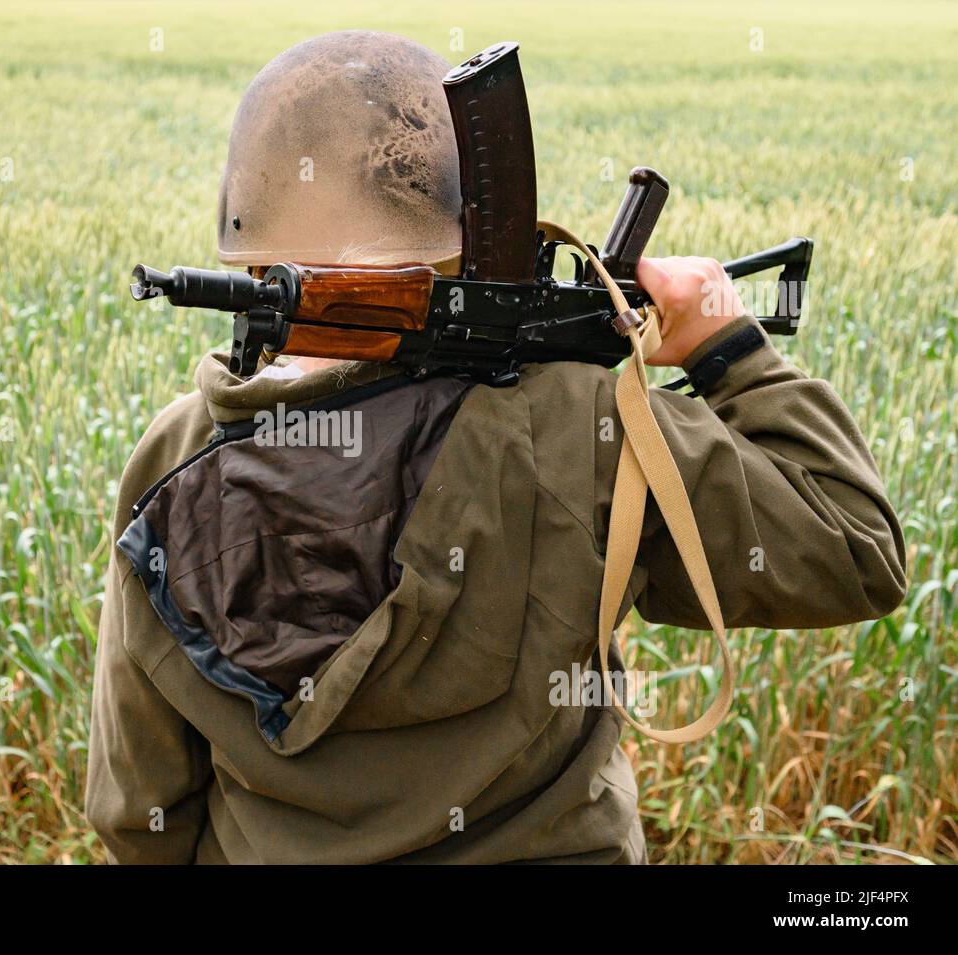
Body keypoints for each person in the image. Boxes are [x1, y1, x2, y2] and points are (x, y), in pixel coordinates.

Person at [84, 30, 906, 864]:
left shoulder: (173, 459)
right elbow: (856, 548)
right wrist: (728, 348)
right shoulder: (587, 428)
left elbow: (134, 807)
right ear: (461, 227)